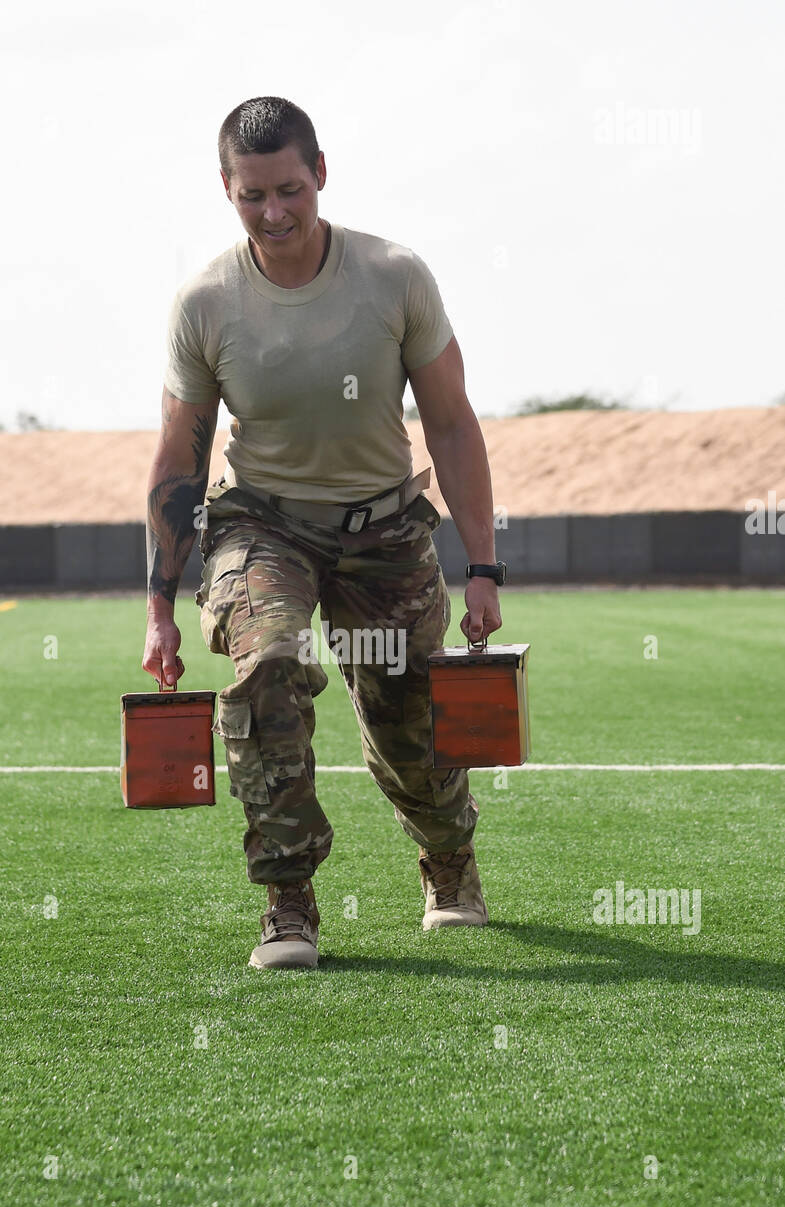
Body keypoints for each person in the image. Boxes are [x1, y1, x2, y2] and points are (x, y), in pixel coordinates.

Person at [142, 96, 504, 970]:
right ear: (226, 189)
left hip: (383, 528)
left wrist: (484, 566)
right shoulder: (204, 302)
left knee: (409, 726)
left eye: (290, 191)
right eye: (252, 195)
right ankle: (288, 900)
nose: (273, 213)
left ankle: (449, 865)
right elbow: (179, 460)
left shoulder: (394, 275)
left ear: (322, 174)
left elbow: (451, 424)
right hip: (262, 525)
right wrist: (158, 603)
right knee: (266, 668)